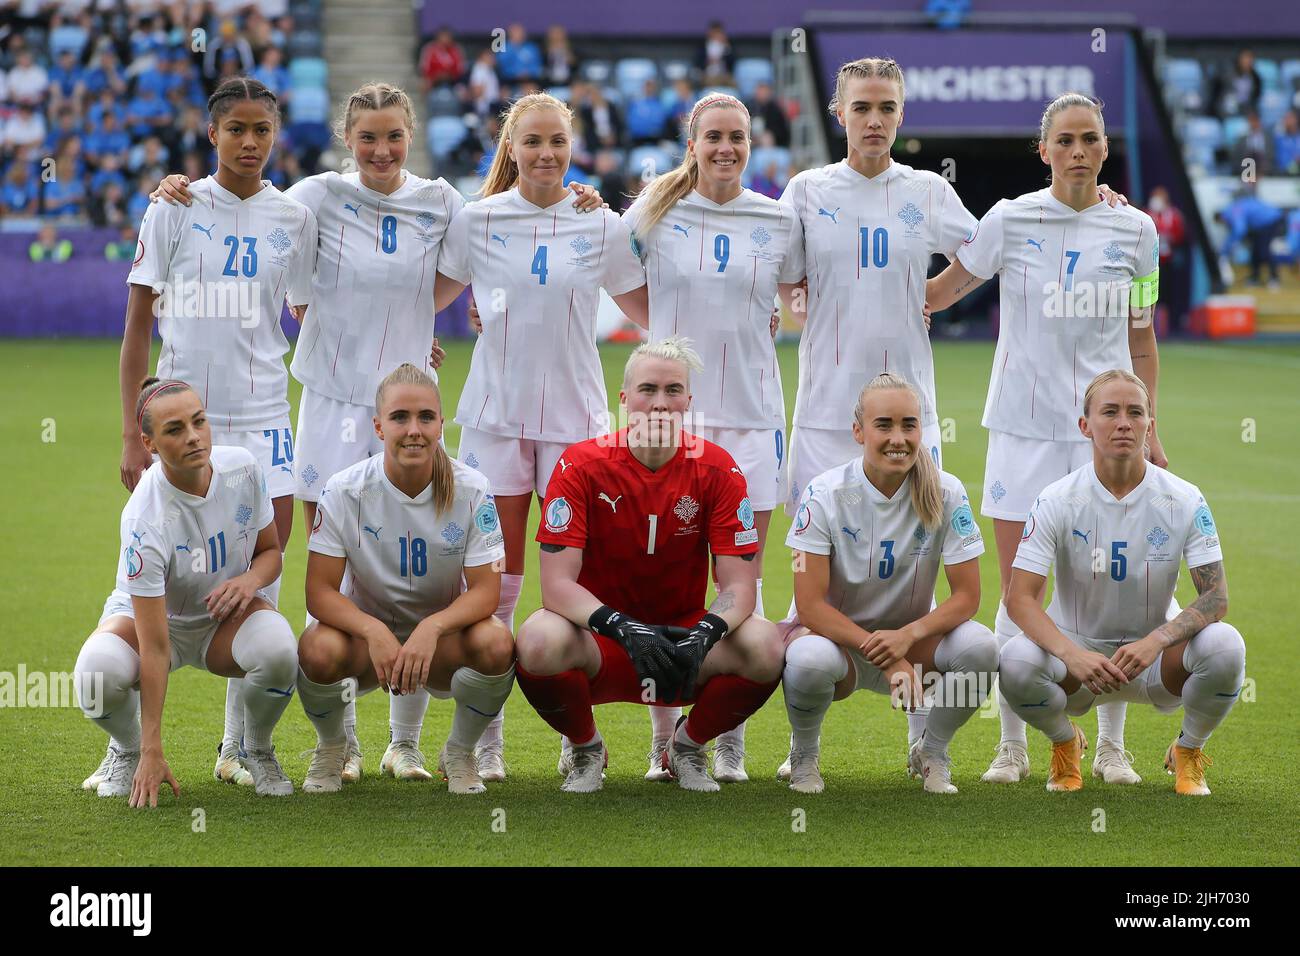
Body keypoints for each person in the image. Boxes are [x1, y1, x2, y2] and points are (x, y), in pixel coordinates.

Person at [148, 83, 607, 785]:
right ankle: (318, 742)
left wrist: (423, 329)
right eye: (368, 138)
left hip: (407, 410)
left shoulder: (442, 203)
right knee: (334, 569)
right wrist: (178, 185)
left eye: (394, 136)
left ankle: (408, 743)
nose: (382, 150)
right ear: (347, 140)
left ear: (411, 136)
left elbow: (466, 273)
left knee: (424, 566)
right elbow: (292, 285)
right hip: (332, 404)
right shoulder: (312, 198)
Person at [926, 92, 1166, 786]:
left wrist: (1150, 428)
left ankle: (1112, 744)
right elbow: (941, 292)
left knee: (1109, 588)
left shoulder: (1137, 232)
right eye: (1065, 140)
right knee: (1016, 589)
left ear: (1105, 148)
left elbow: (1141, 335)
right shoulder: (1009, 218)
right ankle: (1014, 745)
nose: (1079, 152)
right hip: (1022, 431)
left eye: (1090, 138)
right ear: (1044, 150)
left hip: (1104, 435)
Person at [435, 91, 648, 780]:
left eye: (557, 141)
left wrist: (734, 324)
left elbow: (647, 308)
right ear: (511, 147)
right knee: (492, 585)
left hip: (575, 423)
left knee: (572, 584)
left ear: (572, 146)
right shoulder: (479, 220)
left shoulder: (600, 222)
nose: (546, 153)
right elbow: (424, 293)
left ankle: (574, 734)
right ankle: (483, 737)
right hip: (495, 417)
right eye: (532, 142)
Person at [120, 77, 318, 786]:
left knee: (258, 579)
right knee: (153, 568)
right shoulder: (173, 207)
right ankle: (129, 745)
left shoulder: (293, 218)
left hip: (265, 417)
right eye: (235, 128)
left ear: (275, 136)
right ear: (212, 135)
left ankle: (240, 746)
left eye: (261, 129)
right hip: (182, 418)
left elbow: (308, 314)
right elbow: (139, 321)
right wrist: (128, 432)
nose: (249, 141)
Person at [618, 91, 804, 782]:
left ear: (751, 144)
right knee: (667, 583)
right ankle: (663, 741)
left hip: (753, 420)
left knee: (740, 584)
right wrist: (659, 332)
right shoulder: (655, 212)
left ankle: (725, 740)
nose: (726, 147)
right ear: (691, 142)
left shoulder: (778, 219)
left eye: (738, 136)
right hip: (673, 418)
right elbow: (603, 266)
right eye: (714, 136)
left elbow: (812, 286)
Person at [514, 337, 785, 793]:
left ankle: (685, 747)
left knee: (766, 645)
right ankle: (586, 749)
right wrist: (619, 626)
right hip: (602, 638)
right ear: (624, 399)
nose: (660, 403)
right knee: (538, 639)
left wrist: (706, 632)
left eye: (673, 390)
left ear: (689, 402)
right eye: (648, 389)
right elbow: (556, 587)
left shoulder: (719, 469)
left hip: (682, 641)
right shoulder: (580, 464)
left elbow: (741, 585)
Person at [1000, 370, 1244, 795]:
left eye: (1136, 412)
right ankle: (1065, 742)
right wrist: (1071, 654)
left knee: (1227, 647)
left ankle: (1188, 751)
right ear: (1085, 425)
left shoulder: (1184, 497)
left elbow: (1216, 596)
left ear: (1151, 424)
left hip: (1154, 662)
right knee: (1015, 662)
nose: (1123, 423)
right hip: (1078, 665)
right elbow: (1019, 599)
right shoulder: (1055, 498)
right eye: (1109, 412)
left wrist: (1157, 641)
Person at [75, 378, 299, 805]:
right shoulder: (143, 518)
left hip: (222, 622)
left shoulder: (245, 469)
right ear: (150, 443)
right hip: (160, 624)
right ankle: (125, 750)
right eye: (175, 429)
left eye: (199, 421)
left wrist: (249, 581)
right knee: (95, 675)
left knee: (279, 652)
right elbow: (155, 647)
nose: (194, 436)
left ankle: (256, 749)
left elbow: (272, 551)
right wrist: (151, 748)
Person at [296, 364, 515, 795]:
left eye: (425, 417)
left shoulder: (472, 489)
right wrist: (372, 629)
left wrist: (433, 627)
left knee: (496, 643)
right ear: (378, 427)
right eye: (399, 418)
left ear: (440, 423)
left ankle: (459, 751)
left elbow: (488, 591)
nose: (413, 430)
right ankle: (333, 747)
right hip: (365, 645)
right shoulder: (344, 490)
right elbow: (318, 592)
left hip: (439, 647)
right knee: (317, 648)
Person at [780, 373, 997, 793]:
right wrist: (886, 655)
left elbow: (968, 597)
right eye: (884, 425)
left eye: (908, 425)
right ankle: (803, 754)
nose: (898, 437)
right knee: (807, 661)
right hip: (836, 645)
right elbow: (809, 606)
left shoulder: (947, 492)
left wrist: (907, 638)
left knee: (982, 648)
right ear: (858, 431)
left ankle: (931, 751)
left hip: (911, 645)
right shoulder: (824, 493)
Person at [1219, 186, 1284, 289]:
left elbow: (1240, 229)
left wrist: (1227, 247)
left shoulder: (1233, 210)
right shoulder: (1237, 206)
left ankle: (1274, 278)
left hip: (1270, 222)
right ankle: (1255, 278)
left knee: (1263, 250)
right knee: (1255, 251)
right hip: (1266, 223)